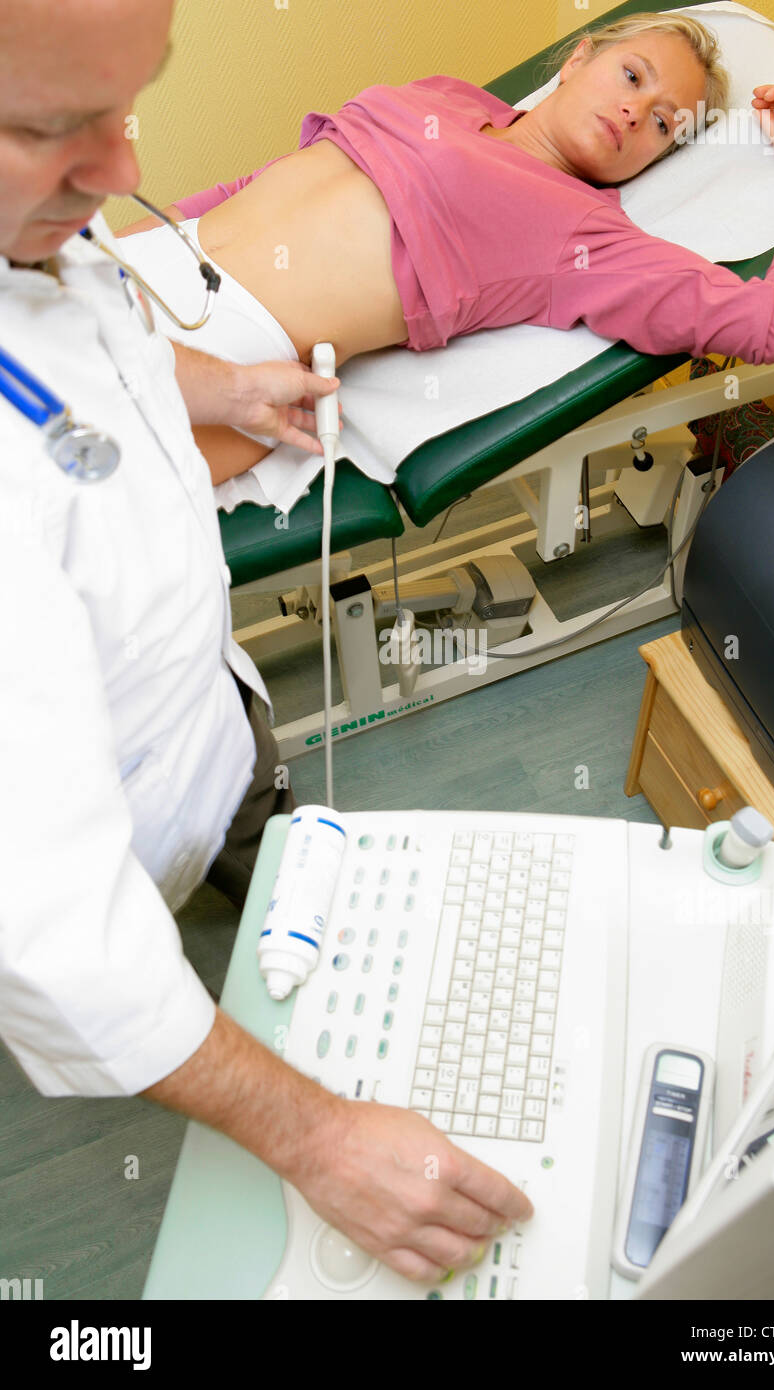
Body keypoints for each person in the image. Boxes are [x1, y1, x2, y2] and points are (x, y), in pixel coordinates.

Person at [0, 0, 532, 1288]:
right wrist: (320, 1138)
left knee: (260, 823)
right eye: (49, 128)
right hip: (88, 858)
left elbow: (95, 339)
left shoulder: (40, 223)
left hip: (204, 721)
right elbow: (51, 924)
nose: (124, 169)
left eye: (129, 105)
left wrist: (222, 389)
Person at [118, 12, 774, 486]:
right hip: (140, 265)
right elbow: (271, 178)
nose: (636, 110)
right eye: (633, 77)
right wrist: (131, 242)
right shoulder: (448, 100)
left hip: (224, 355)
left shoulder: (584, 238)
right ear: (578, 59)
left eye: (665, 124)